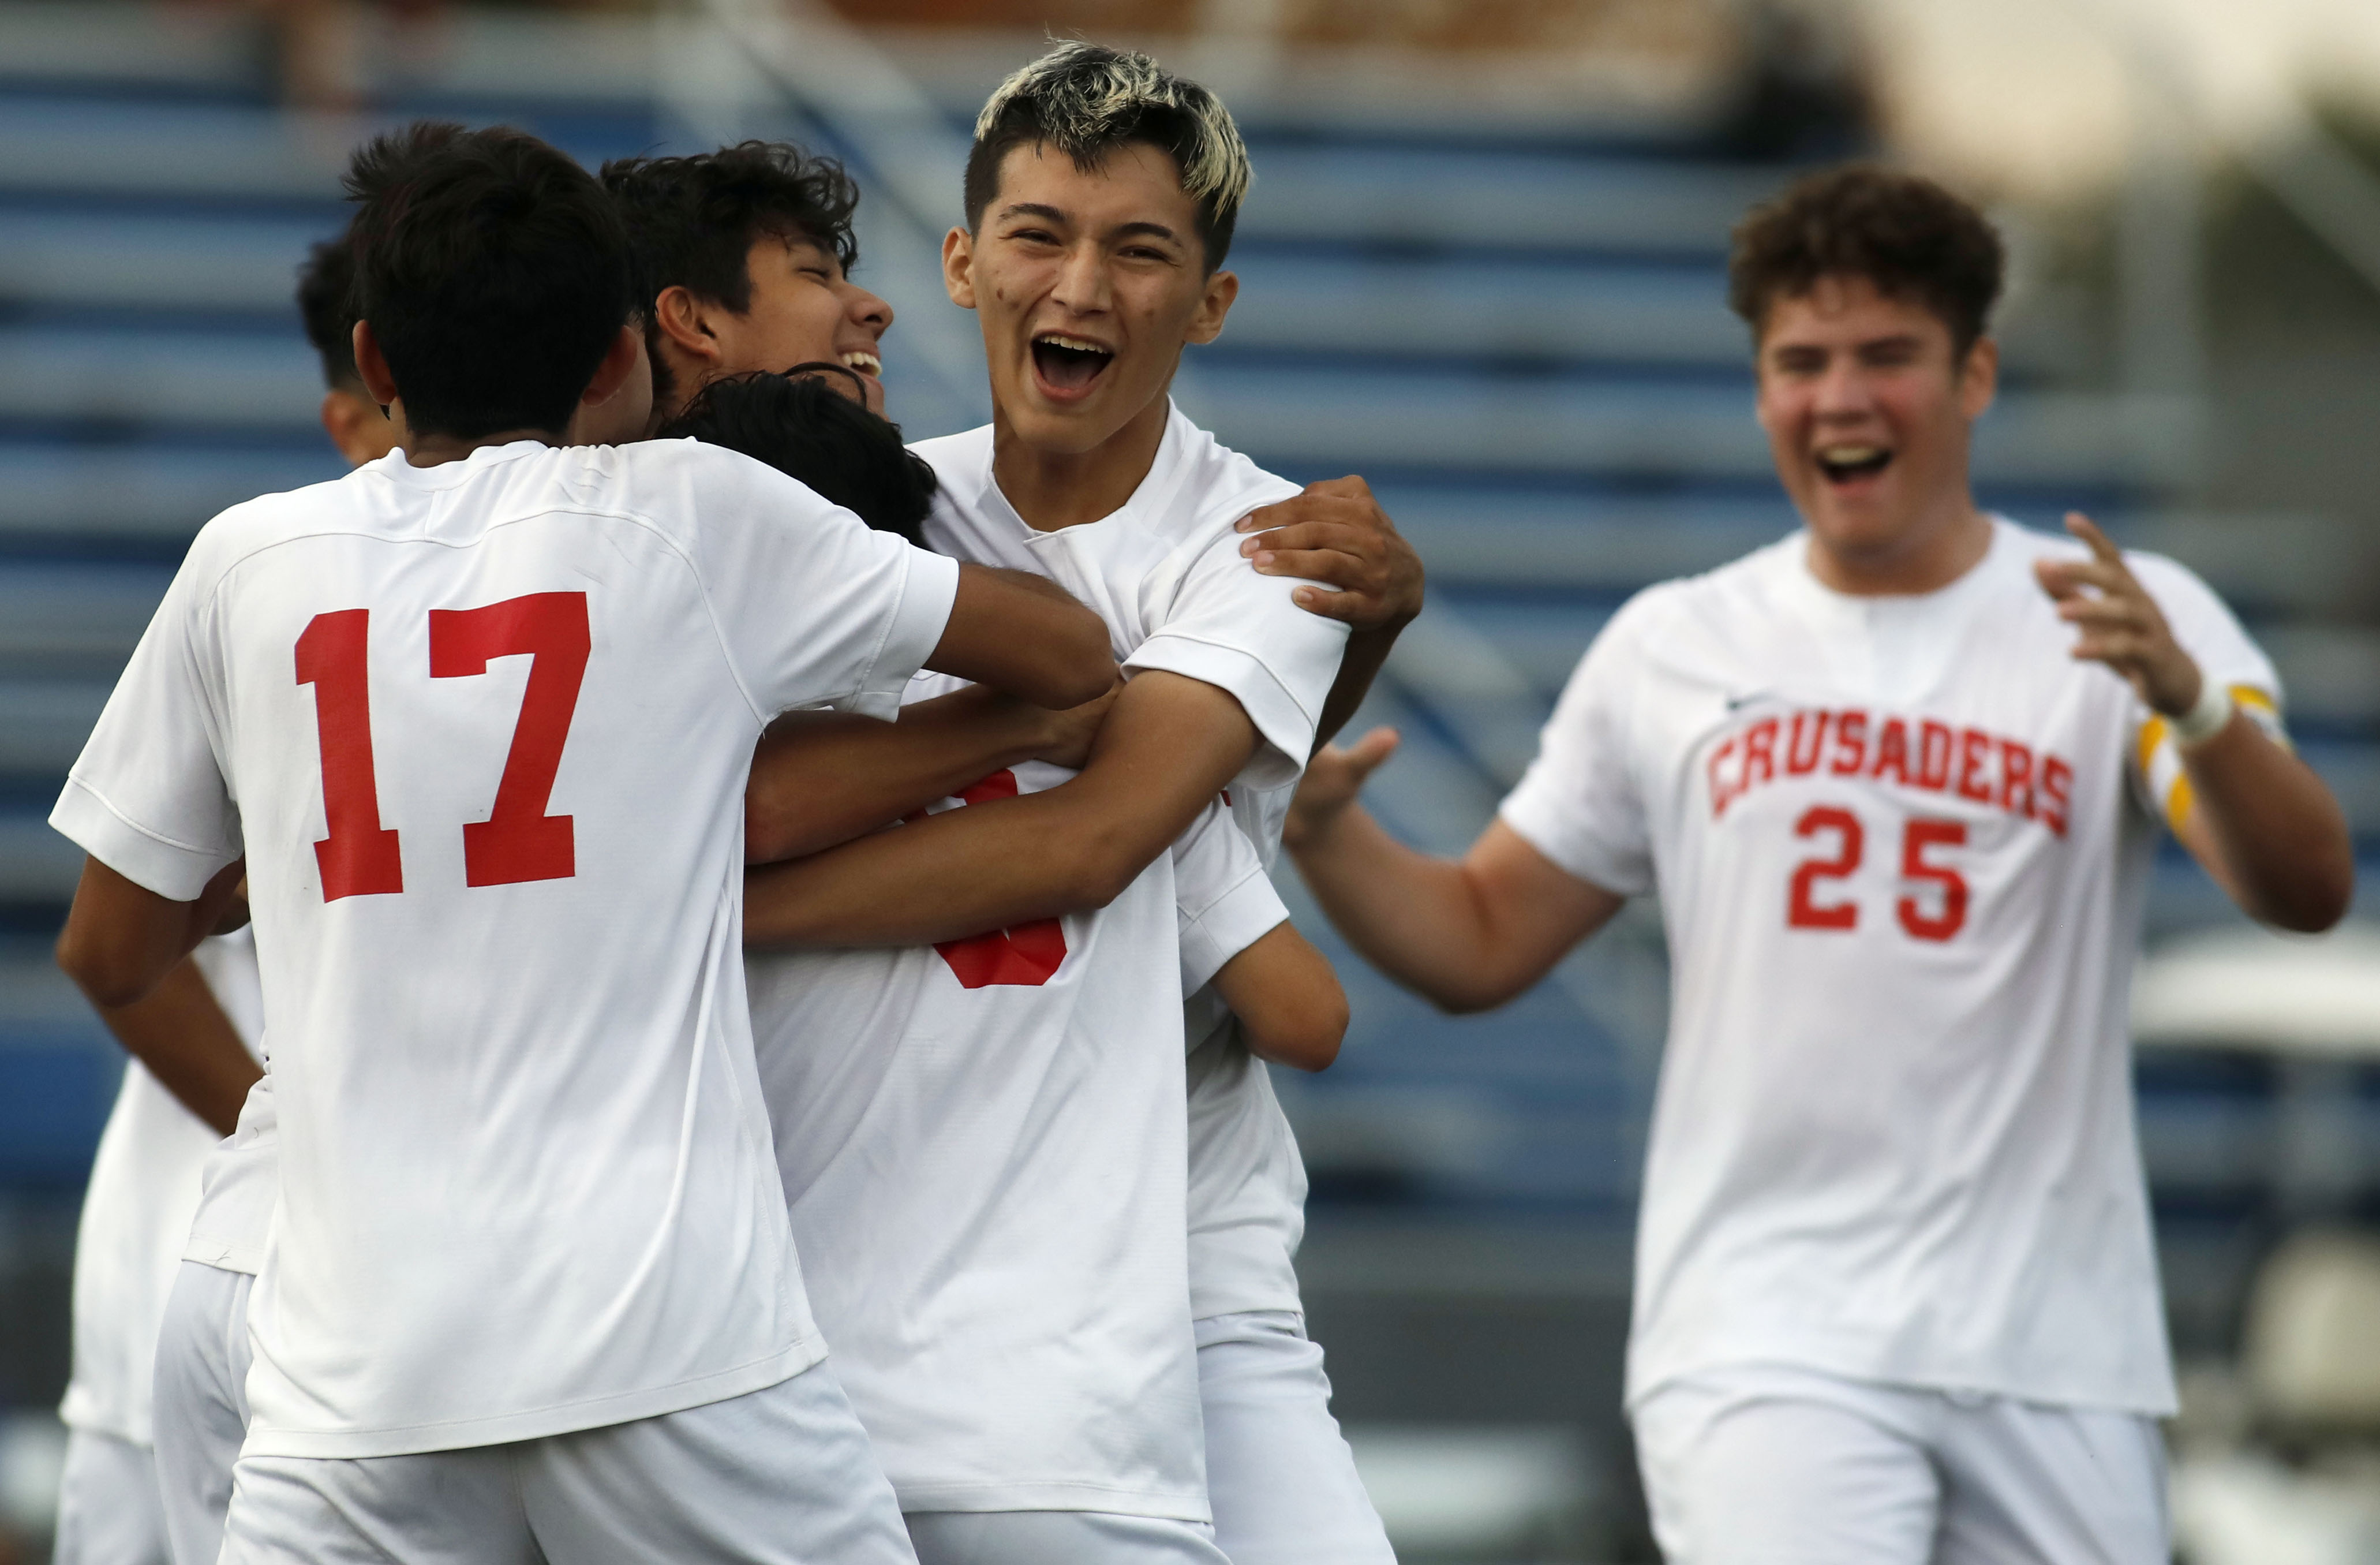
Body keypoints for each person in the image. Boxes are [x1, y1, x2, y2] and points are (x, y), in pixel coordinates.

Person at [55, 119, 1113, 1564]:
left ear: (373, 363)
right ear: (623, 356)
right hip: (670, 1340)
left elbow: (109, 942)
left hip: (353, 1363)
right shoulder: (695, 512)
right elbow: (1063, 652)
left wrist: (279, 881)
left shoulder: (248, 560)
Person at [1283, 163, 2355, 1564]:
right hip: (1764, 1336)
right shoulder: (1678, 641)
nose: (1839, 397)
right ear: (1759, 390)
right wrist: (1325, 831)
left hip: (2054, 1347)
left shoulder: (2121, 618)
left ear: (1973, 375)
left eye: (1886, 356)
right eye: (1801, 361)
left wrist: (2194, 707)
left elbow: (2300, 886)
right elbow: (1482, 938)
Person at [735, 44, 1406, 1565]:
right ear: (965, 263)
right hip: (838, 1243)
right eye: (1038, 235)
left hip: (1169, 1263)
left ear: (1211, 302)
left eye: (1139, 249)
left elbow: (1097, 841)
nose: (1080, 287)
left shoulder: (1269, 545)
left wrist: (712, 906)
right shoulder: (851, 507)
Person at [49, 233, 396, 1565]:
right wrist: (315, 1146)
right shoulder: (270, 596)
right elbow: (111, 949)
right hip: (213, 1291)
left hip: (355, 1302)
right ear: (352, 411)